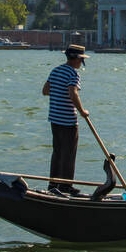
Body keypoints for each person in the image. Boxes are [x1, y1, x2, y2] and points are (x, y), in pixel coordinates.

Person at [41, 44, 90, 196]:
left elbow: (46, 91)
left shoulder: (55, 71)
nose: (81, 63)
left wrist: (58, 94)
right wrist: (82, 111)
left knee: (57, 152)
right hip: (68, 120)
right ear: (76, 59)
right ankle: (66, 186)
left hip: (55, 118)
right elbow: (73, 92)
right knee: (68, 154)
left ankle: (53, 184)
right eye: (81, 59)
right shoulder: (73, 74)